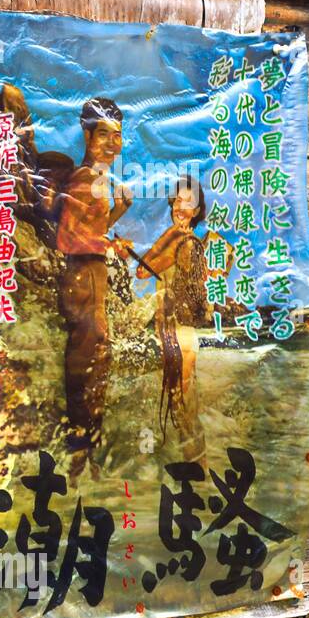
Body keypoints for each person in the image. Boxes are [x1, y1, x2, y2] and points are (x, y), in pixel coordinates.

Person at [56, 98, 133, 478]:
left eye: (118, 136)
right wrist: (106, 244)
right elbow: (68, 238)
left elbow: (92, 229)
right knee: (88, 352)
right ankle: (79, 444)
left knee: (100, 353)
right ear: (87, 135)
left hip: (95, 274)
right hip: (82, 275)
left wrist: (119, 213)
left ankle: (90, 446)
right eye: (104, 134)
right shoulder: (85, 179)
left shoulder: (100, 180)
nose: (113, 143)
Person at [135, 176, 211, 466]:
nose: (180, 207)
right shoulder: (179, 237)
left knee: (183, 403)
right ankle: (193, 467)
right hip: (178, 333)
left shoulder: (183, 241)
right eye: (177, 200)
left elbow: (143, 271)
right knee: (179, 402)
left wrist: (170, 233)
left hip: (179, 333)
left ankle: (198, 468)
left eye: (187, 203)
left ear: (197, 209)